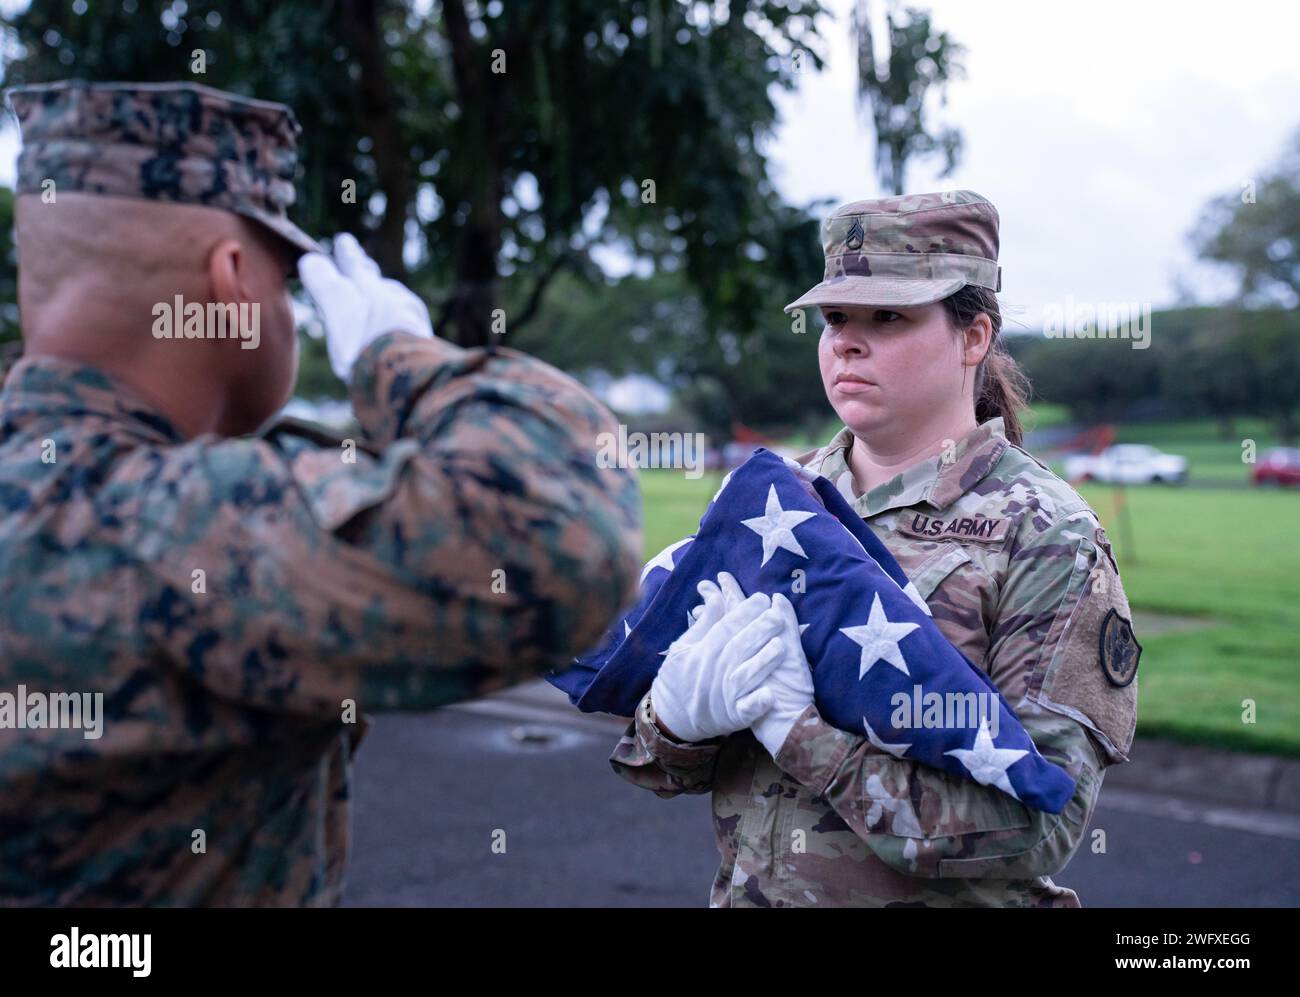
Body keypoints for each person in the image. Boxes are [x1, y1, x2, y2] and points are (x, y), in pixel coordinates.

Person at [0, 80, 642, 906]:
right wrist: (398, 352)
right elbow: (563, 529)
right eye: (286, 283)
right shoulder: (172, 523)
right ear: (232, 278)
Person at [610, 190, 1140, 907]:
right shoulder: (772, 504)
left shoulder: (1047, 533)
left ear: (974, 337)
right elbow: (656, 765)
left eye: (888, 316)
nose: (847, 342)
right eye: (835, 318)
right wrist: (674, 722)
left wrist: (801, 734)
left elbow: (1038, 826)